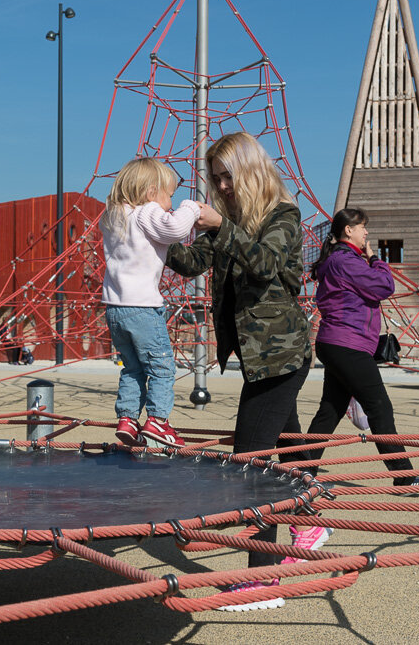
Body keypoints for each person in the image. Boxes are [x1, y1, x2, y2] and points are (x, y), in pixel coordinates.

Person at [165, 132, 330, 610]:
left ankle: (260, 580)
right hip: (258, 358)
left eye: (227, 176)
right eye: (215, 178)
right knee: (289, 446)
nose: (220, 185)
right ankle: (307, 522)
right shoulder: (229, 221)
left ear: (249, 170)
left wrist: (220, 225)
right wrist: (154, 226)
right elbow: (190, 262)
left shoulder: (284, 214)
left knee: (251, 463)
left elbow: (265, 264)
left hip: (281, 356)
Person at [305, 207, 419, 494]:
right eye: (362, 227)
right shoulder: (346, 261)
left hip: (339, 341)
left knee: (330, 410)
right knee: (379, 407)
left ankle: (303, 470)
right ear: (348, 231)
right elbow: (383, 285)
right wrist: (375, 258)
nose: (367, 232)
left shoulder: (339, 260)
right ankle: (403, 476)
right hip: (346, 342)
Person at [102, 157, 200, 447]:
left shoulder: (112, 215)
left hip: (115, 309)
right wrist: (191, 208)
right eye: (169, 195)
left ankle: (128, 418)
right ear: (150, 193)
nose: (171, 202)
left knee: (132, 368)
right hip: (143, 308)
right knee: (162, 368)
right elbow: (176, 230)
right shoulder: (146, 212)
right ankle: (158, 421)